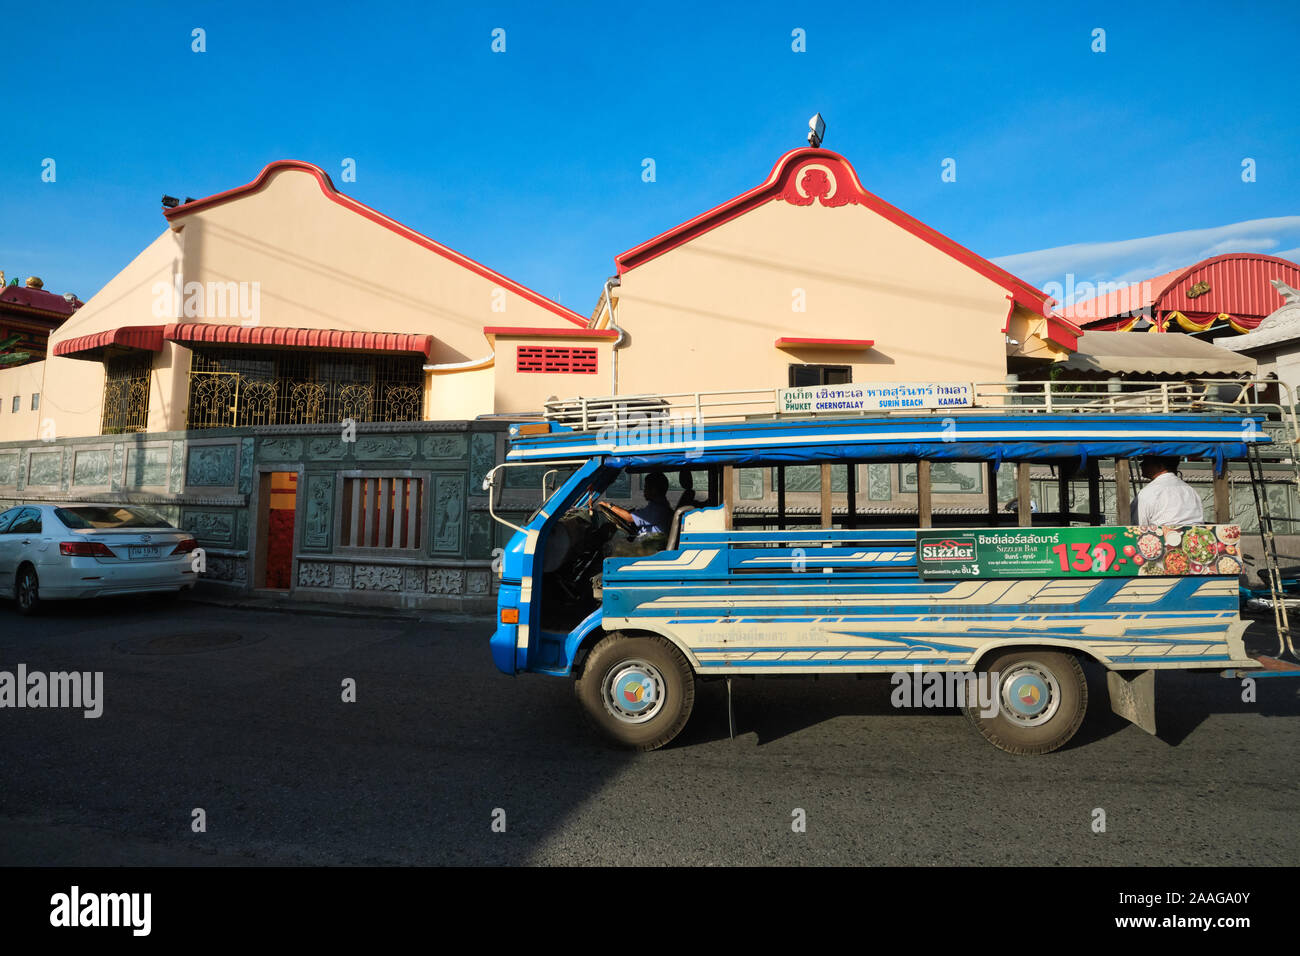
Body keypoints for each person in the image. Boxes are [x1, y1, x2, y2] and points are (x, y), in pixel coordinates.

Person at [1132, 456, 1204, 526]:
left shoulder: (1148, 492)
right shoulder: (1190, 490)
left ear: (1160, 466)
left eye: (1146, 461)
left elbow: (1137, 526)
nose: (1141, 464)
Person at [599, 471, 673, 536]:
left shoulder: (657, 509)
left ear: (653, 490)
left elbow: (629, 517)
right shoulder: (659, 506)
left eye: (646, 487)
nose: (644, 491)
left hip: (648, 547)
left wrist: (609, 506)